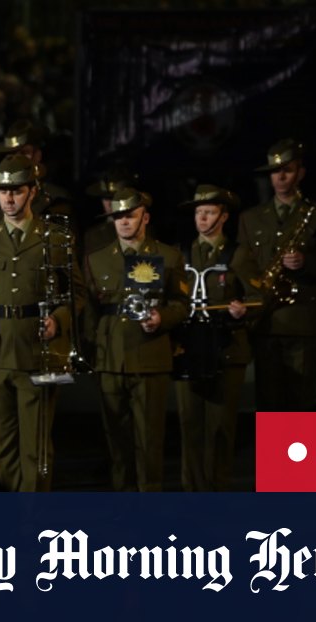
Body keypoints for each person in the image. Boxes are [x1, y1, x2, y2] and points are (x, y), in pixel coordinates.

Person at [0, 155, 83, 492]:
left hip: (39, 349)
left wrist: (59, 321)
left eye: (16, 190)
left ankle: (32, 518)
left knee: (36, 446)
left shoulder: (56, 237)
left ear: (32, 191)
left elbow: (77, 292)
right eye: (3, 191)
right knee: (2, 446)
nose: (9, 198)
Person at [84, 187, 188, 492]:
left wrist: (162, 318)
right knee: (116, 438)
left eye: (130, 215)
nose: (124, 221)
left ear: (145, 217)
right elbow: (89, 310)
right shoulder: (96, 259)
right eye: (118, 216)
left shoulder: (168, 256)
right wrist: (92, 350)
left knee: (149, 438)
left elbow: (182, 305)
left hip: (150, 354)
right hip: (110, 357)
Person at [238, 139, 316, 411]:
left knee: (300, 402)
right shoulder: (250, 218)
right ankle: (273, 455)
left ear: (300, 173)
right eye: (275, 171)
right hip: (265, 322)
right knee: (268, 402)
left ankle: (299, 454)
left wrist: (308, 262)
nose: (280, 177)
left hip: (302, 322)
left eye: (288, 170)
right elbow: (243, 268)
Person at [173, 185, 258, 491]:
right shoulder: (180, 253)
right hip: (190, 348)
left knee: (220, 427)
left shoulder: (238, 254)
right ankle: (191, 493)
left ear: (223, 216)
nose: (202, 218)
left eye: (209, 212)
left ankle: (217, 491)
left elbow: (260, 297)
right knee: (190, 424)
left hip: (226, 348)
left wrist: (243, 311)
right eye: (198, 212)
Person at [0, 119, 71, 225]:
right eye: (11, 154)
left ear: (38, 156)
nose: (17, 159)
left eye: (24, 153)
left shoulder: (57, 198)